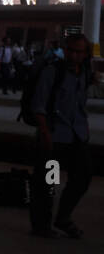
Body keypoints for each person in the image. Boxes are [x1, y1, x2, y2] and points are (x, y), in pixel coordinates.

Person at [29, 34, 94, 238]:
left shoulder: (84, 73)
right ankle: (42, 225)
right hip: (54, 138)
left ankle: (63, 217)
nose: (74, 55)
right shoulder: (52, 72)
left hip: (76, 137)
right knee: (49, 182)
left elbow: (79, 104)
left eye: (78, 51)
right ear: (65, 50)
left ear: (85, 54)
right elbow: (39, 105)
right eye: (70, 50)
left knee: (82, 177)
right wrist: (45, 132)